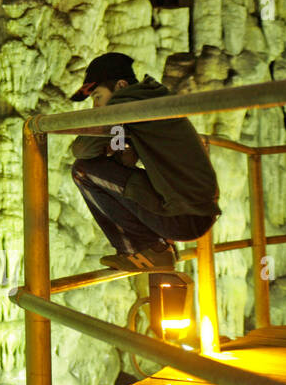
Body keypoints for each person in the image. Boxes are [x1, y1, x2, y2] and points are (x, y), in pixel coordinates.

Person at [67, 53, 220, 271]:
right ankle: (156, 248)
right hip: (195, 213)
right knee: (102, 169)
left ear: (120, 85)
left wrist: (105, 138)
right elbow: (125, 160)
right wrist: (117, 146)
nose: (95, 107)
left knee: (82, 171)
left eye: (98, 97)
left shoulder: (127, 102)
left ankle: (142, 250)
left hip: (185, 217)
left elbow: (81, 149)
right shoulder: (145, 100)